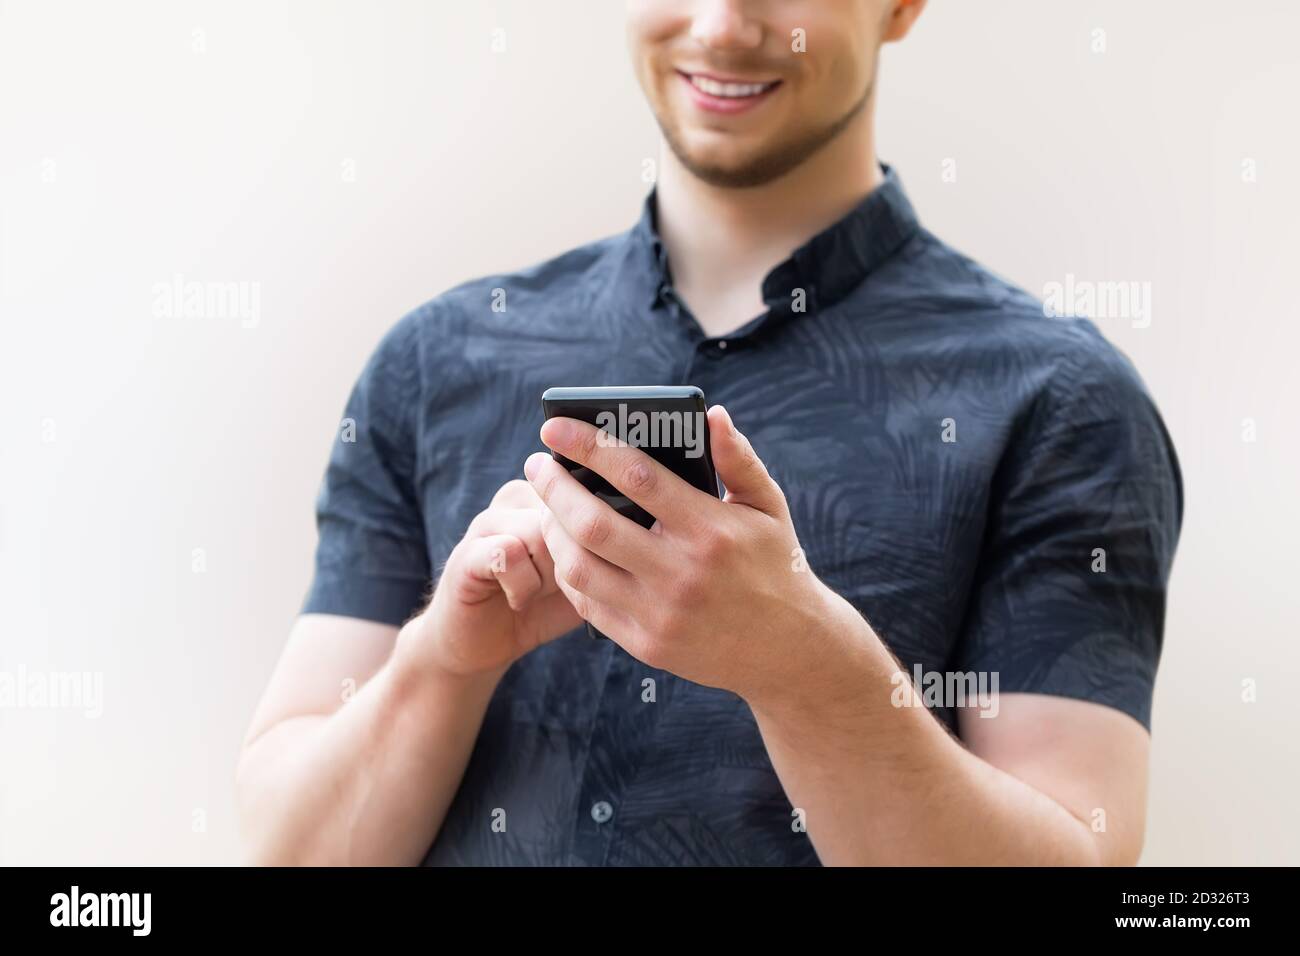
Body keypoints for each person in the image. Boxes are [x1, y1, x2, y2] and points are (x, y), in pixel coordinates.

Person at [236, 0, 1182, 866]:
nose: (725, 28)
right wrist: (441, 663)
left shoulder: (1059, 399)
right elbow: (291, 854)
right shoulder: (434, 359)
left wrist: (804, 665)